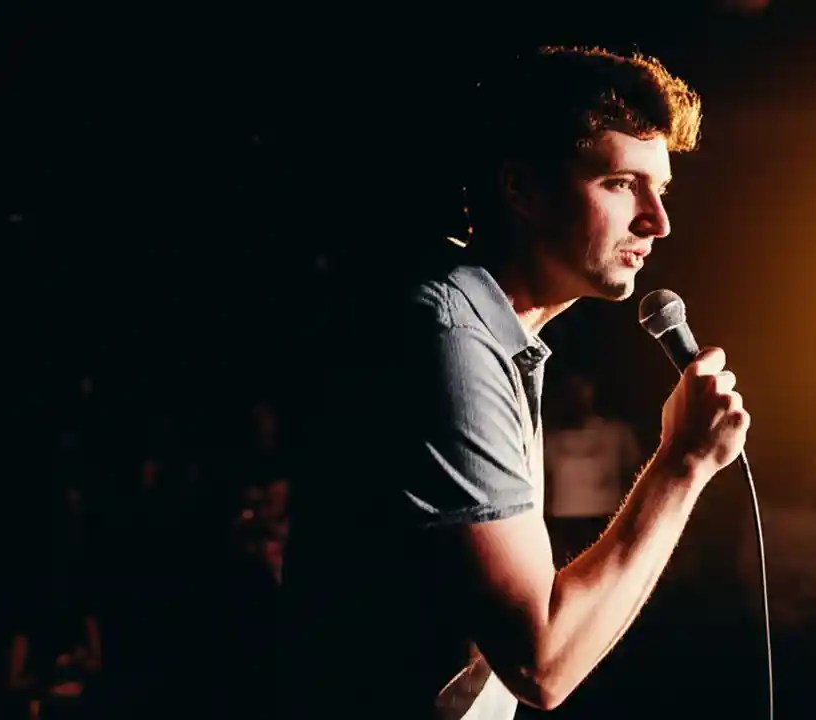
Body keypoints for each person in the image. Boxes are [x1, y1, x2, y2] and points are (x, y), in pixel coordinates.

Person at [277, 45, 750, 720]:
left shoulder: (487, 333)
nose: (657, 221)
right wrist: (682, 464)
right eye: (620, 184)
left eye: (661, 189)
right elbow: (543, 661)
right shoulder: (450, 339)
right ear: (521, 188)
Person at [543, 371, 644, 565]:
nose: (579, 397)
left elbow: (633, 472)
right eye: (572, 392)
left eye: (583, 391)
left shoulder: (616, 433)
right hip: (564, 521)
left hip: (606, 518)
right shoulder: (552, 438)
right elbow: (545, 479)